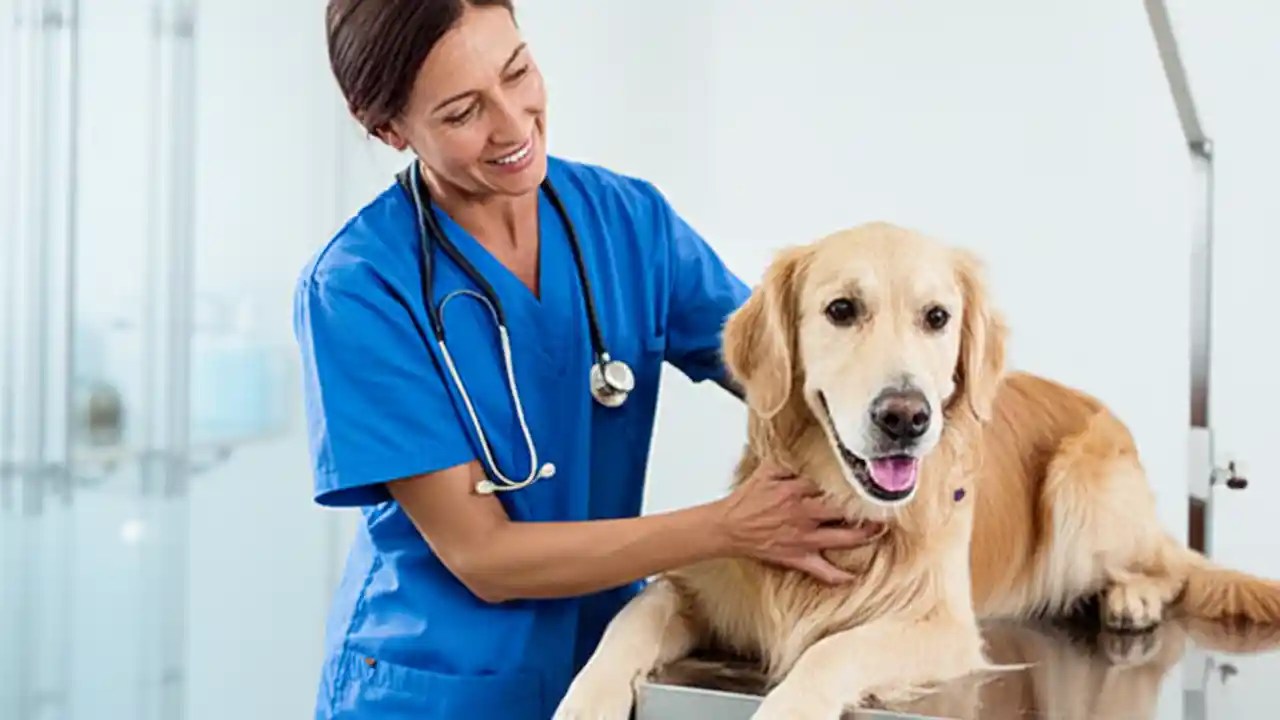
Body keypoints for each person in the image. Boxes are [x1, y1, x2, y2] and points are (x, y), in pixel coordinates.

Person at [295, 1, 883, 717]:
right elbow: (483, 558)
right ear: (389, 129)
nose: (513, 125)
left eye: (518, 72)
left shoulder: (628, 223)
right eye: (461, 113)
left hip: (596, 673)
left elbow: (786, 374)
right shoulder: (361, 287)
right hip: (431, 687)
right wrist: (728, 527)